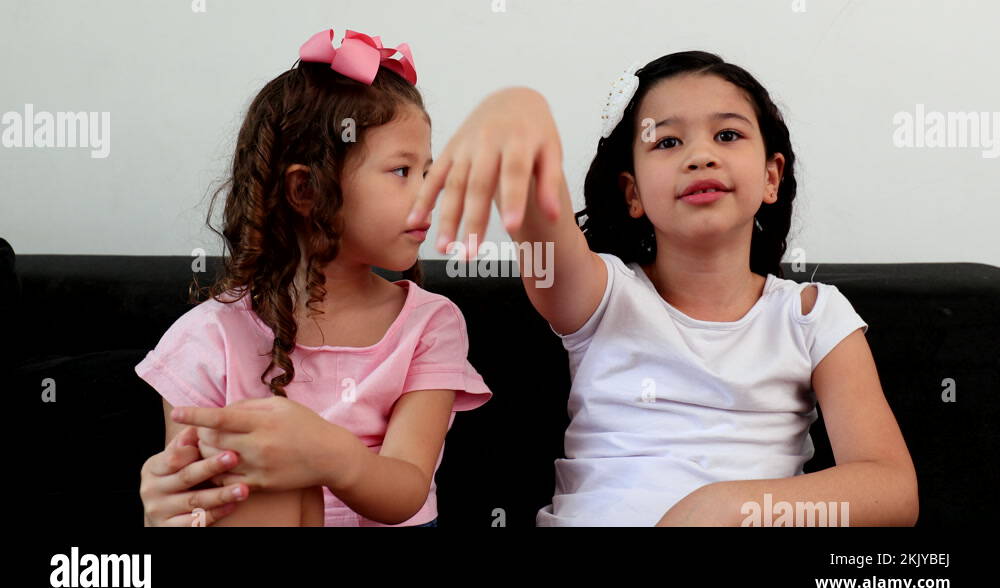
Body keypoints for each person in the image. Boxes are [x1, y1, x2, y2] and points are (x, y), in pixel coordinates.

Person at [406, 51, 917, 526]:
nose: (700, 156)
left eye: (728, 136)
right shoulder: (600, 296)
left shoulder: (812, 315)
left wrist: (722, 508)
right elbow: (543, 230)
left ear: (771, 177)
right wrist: (522, 114)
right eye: (667, 142)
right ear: (633, 194)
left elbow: (892, 490)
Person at [137, 28, 491, 527]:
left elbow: (406, 491)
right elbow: (192, 491)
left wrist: (324, 453)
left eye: (427, 172)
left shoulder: (431, 324)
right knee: (250, 483)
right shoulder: (208, 335)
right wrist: (173, 509)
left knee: (286, 469)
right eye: (401, 171)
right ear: (305, 190)